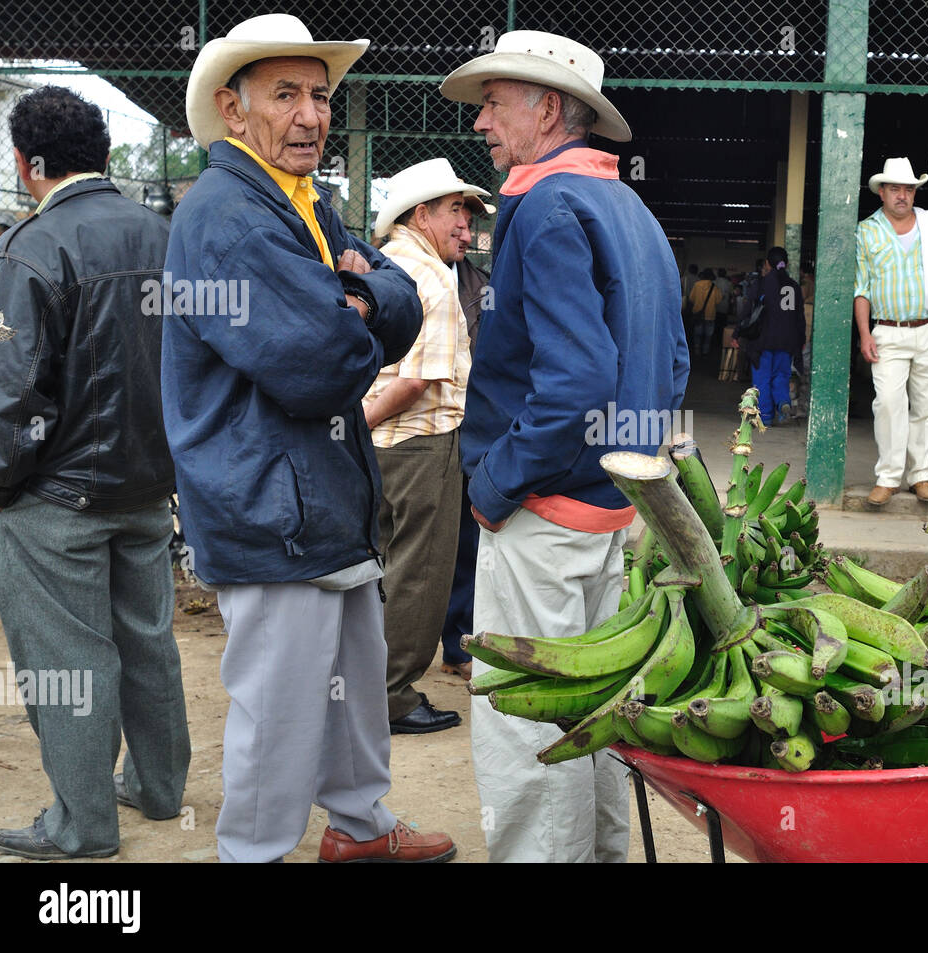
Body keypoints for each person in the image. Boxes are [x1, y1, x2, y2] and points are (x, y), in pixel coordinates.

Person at [161, 13, 453, 863]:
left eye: (320, 95)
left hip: (322, 497)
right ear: (233, 107)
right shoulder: (228, 216)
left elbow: (403, 298)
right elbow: (320, 361)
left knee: (354, 687)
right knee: (280, 707)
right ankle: (252, 852)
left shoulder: (302, 199)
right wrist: (354, 299)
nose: (311, 114)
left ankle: (360, 828)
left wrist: (354, 298)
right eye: (285, 94)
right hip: (271, 505)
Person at [440, 29, 688, 863]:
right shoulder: (631, 207)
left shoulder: (545, 204)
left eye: (494, 101)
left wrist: (494, 481)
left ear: (547, 109)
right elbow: (673, 360)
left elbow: (575, 378)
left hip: (543, 509)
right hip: (609, 505)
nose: (480, 121)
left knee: (527, 730)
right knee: (593, 719)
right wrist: (630, 467)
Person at [0, 86, 190, 860]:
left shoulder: (27, 248)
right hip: (148, 483)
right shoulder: (164, 237)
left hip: (55, 498)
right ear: (106, 156)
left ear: (24, 163)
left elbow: (8, 400)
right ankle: (160, 785)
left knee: (65, 661)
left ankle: (82, 826)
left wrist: (1, 491)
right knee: (147, 640)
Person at [365, 158, 492, 733]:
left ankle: (364, 683)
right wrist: (362, 421)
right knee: (420, 573)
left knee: (382, 566)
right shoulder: (436, 283)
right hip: (423, 446)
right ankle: (392, 697)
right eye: (457, 214)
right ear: (421, 215)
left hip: (381, 449)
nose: (466, 228)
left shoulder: (382, 265)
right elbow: (417, 382)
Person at [854, 157, 928, 507]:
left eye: (908, 189)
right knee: (888, 403)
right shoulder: (867, 231)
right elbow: (861, 288)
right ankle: (888, 477)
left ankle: (920, 474)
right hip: (888, 331)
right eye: (895, 189)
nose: (902, 195)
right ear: (882, 193)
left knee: (927, 407)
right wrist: (864, 334)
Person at [439, 195, 493, 682]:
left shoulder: (481, 286)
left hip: (468, 427)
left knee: (466, 538)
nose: (464, 228)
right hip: (410, 431)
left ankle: (458, 644)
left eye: (468, 219)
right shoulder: (391, 273)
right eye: (454, 215)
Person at [736, 246, 804, 425]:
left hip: (763, 341)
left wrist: (737, 333)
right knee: (781, 375)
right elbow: (800, 317)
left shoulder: (762, 284)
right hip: (787, 341)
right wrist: (801, 340)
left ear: (767, 263)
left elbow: (747, 310)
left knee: (762, 379)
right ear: (786, 264)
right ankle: (782, 403)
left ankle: (765, 417)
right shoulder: (794, 287)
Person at [688, 267, 721, 356]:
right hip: (710, 315)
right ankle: (705, 351)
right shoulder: (715, 288)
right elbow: (718, 301)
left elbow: (691, 298)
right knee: (708, 336)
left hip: (698, 314)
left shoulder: (696, 285)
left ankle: (697, 350)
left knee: (697, 334)